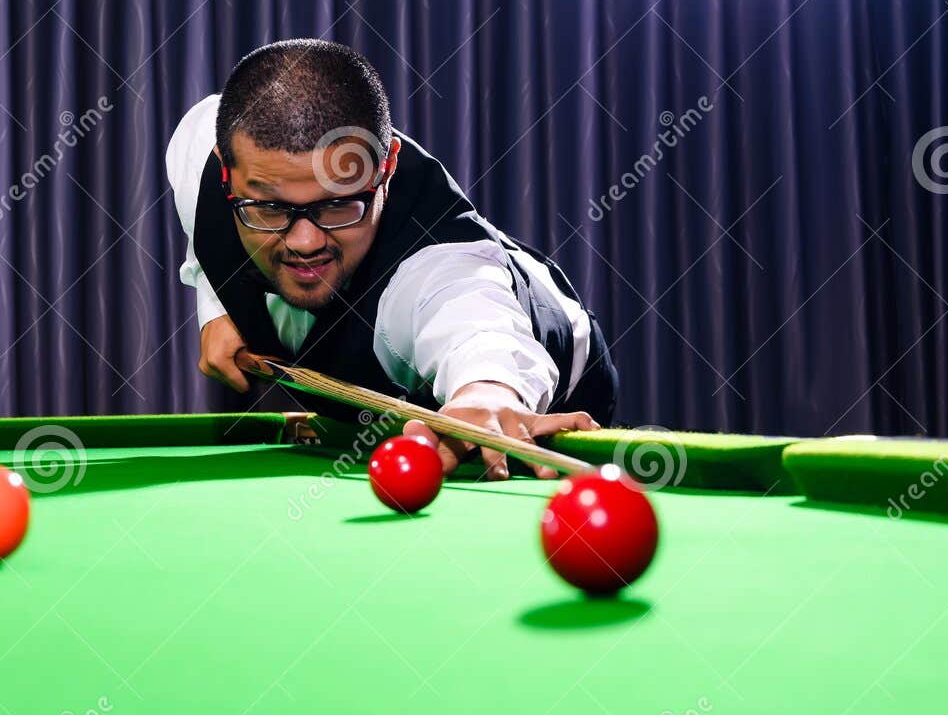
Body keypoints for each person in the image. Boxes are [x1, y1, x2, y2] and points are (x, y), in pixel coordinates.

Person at [166, 39, 616, 478]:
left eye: (337, 205)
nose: (304, 241)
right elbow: (202, 164)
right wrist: (217, 301)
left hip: (552, 394)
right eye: (268, 207)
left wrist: (488, 387)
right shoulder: (203, 147)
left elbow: (473, 320)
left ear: (388, 166)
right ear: (224, 166)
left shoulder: (432, 268)